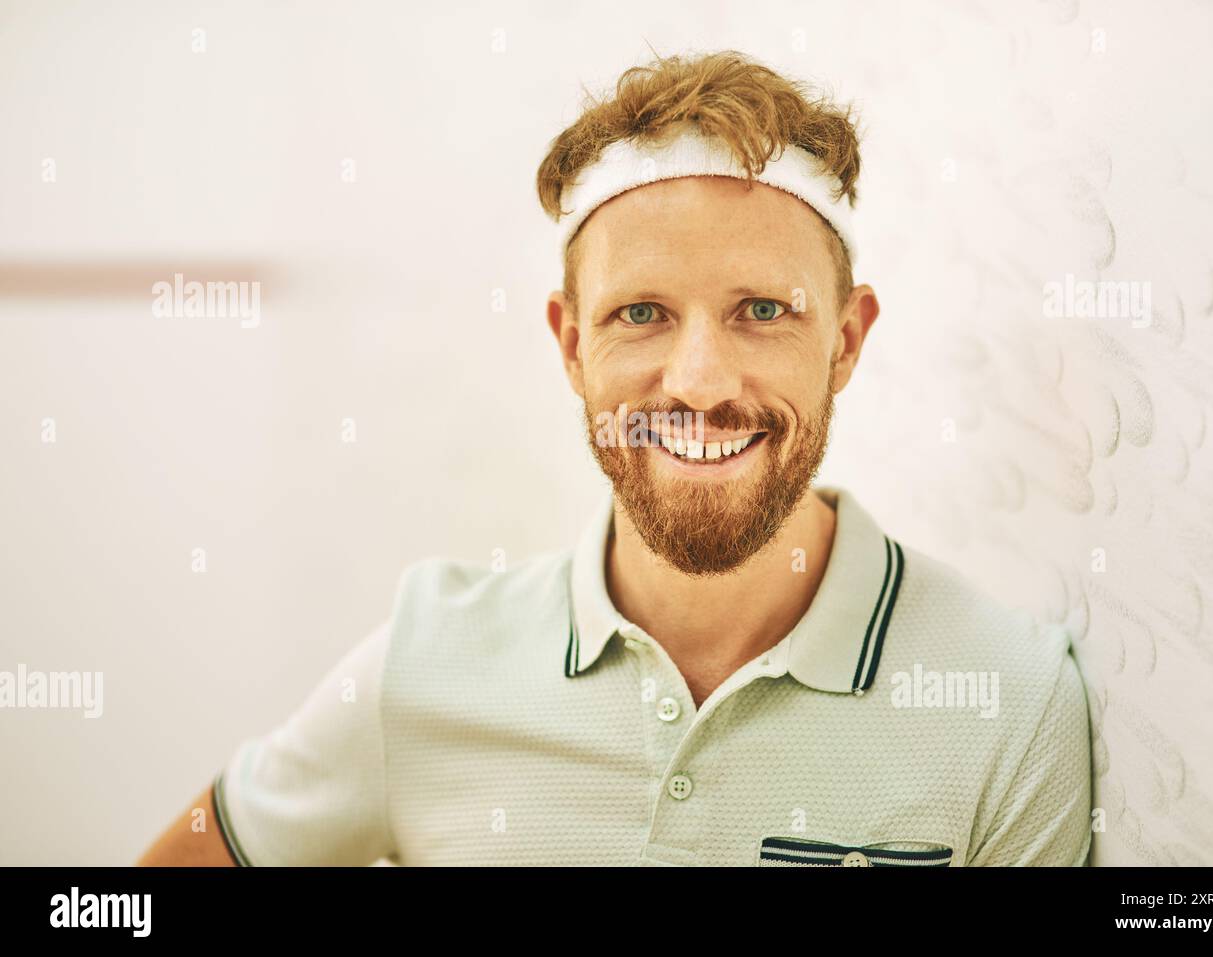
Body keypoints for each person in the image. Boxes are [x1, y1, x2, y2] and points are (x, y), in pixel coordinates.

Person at [138, 49, 1092, 867]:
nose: (701, 384)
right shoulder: (425, 663)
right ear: (570, 345)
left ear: (845, 340)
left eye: (763, 310)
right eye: (642, 314)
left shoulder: (1007, 698)